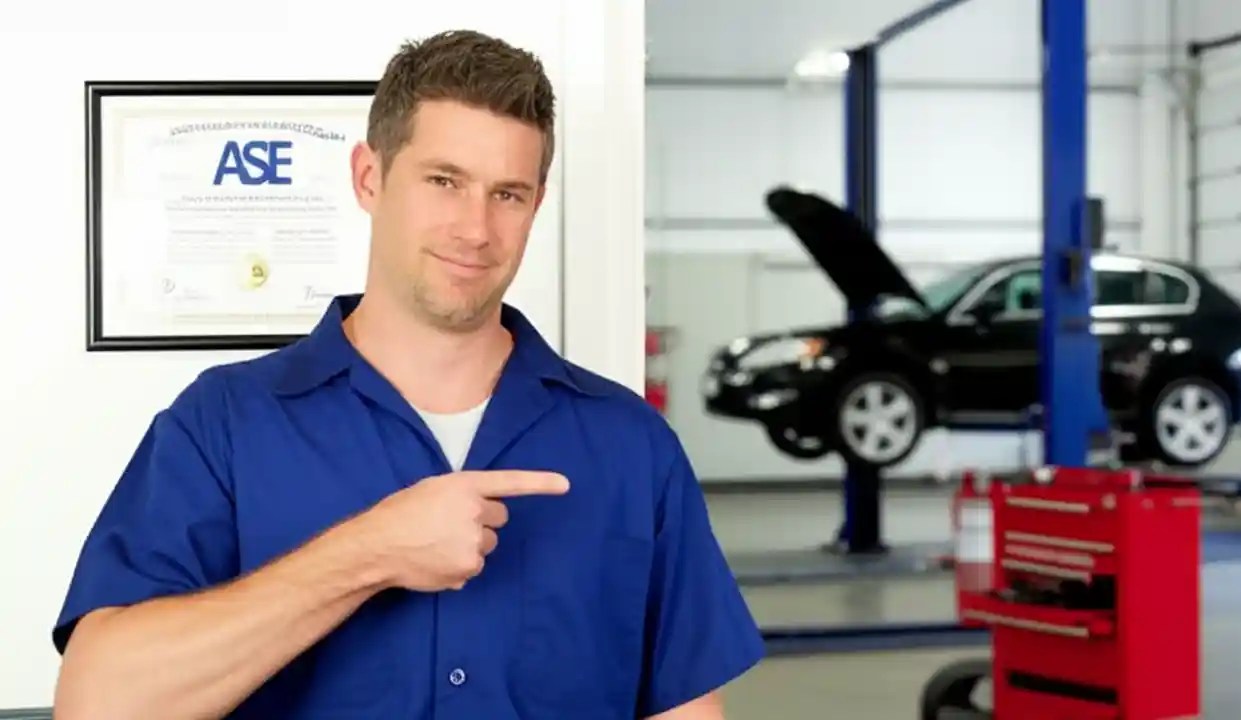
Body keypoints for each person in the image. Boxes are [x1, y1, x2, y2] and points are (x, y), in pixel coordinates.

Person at [52, 29, 765, 720]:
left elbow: (685, 708)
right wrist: (367, 553)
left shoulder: (631, 446)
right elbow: (101, 703)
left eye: (507, 194)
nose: (476, 229)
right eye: (444, 181)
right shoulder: (225, 424)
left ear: (536, 206)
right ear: (370, 176)